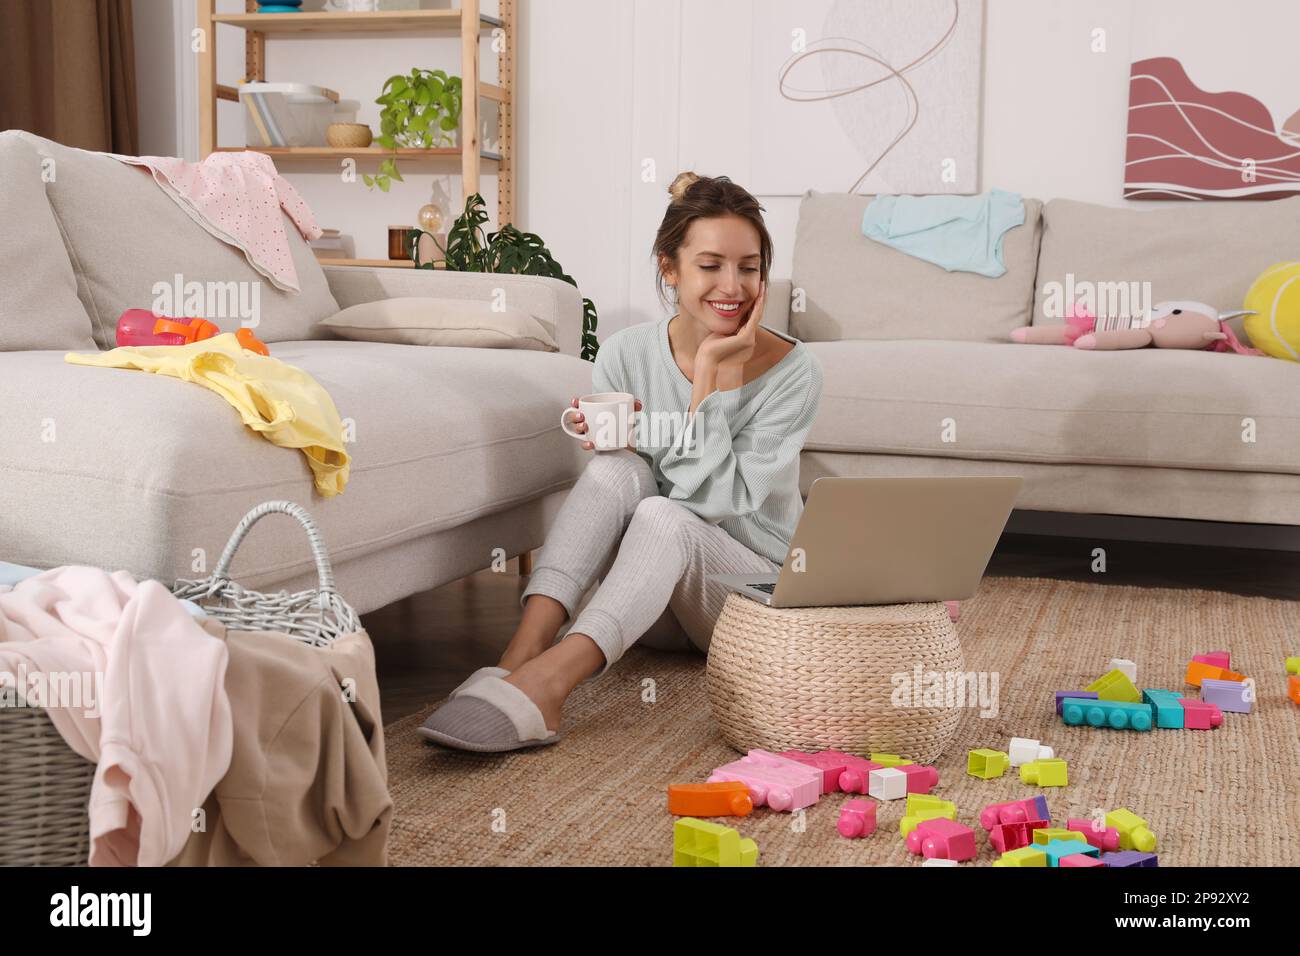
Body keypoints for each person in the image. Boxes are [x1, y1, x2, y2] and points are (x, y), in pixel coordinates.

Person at [420, 172, 823, 752]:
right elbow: (631, 492)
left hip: (748, 602)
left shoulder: (795, 372)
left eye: (749, 267)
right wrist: (617, 442)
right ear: (670, 267)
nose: (732, 286)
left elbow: (714, 507)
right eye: (710, 265)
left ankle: (551, 684)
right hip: (650, 608)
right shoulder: (625, 353)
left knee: (664, 513)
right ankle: (521, 655)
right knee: (615, 470)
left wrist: (713, 376)